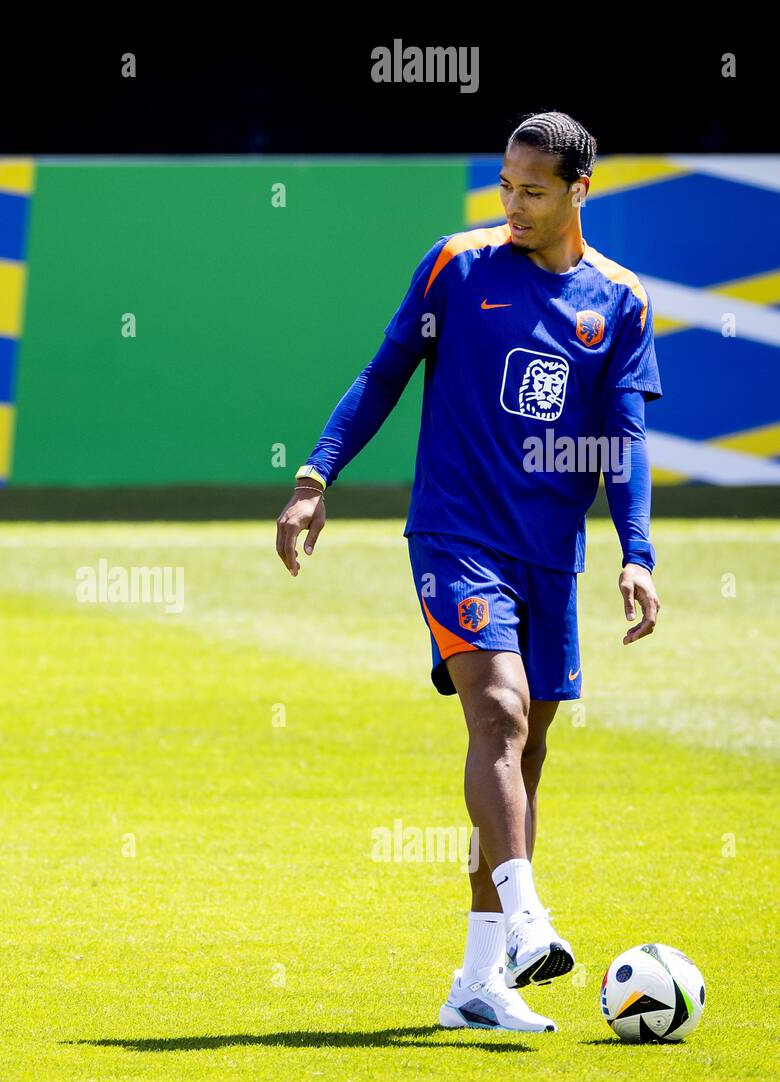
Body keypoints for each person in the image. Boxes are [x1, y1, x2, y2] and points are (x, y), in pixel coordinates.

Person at [275, 111, 661, 1032]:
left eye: (534, 189)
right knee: (497, 710)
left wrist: (636, 552)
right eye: (505, 185)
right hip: (453, 536)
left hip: (550, 555)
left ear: (579, 190)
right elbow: (383, 373)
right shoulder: (457, 265)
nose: (514, 204)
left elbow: (626, 439)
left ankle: (476, 985)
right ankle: (529, 920)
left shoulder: (621, 300)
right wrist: (314, 474)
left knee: (524, 758)